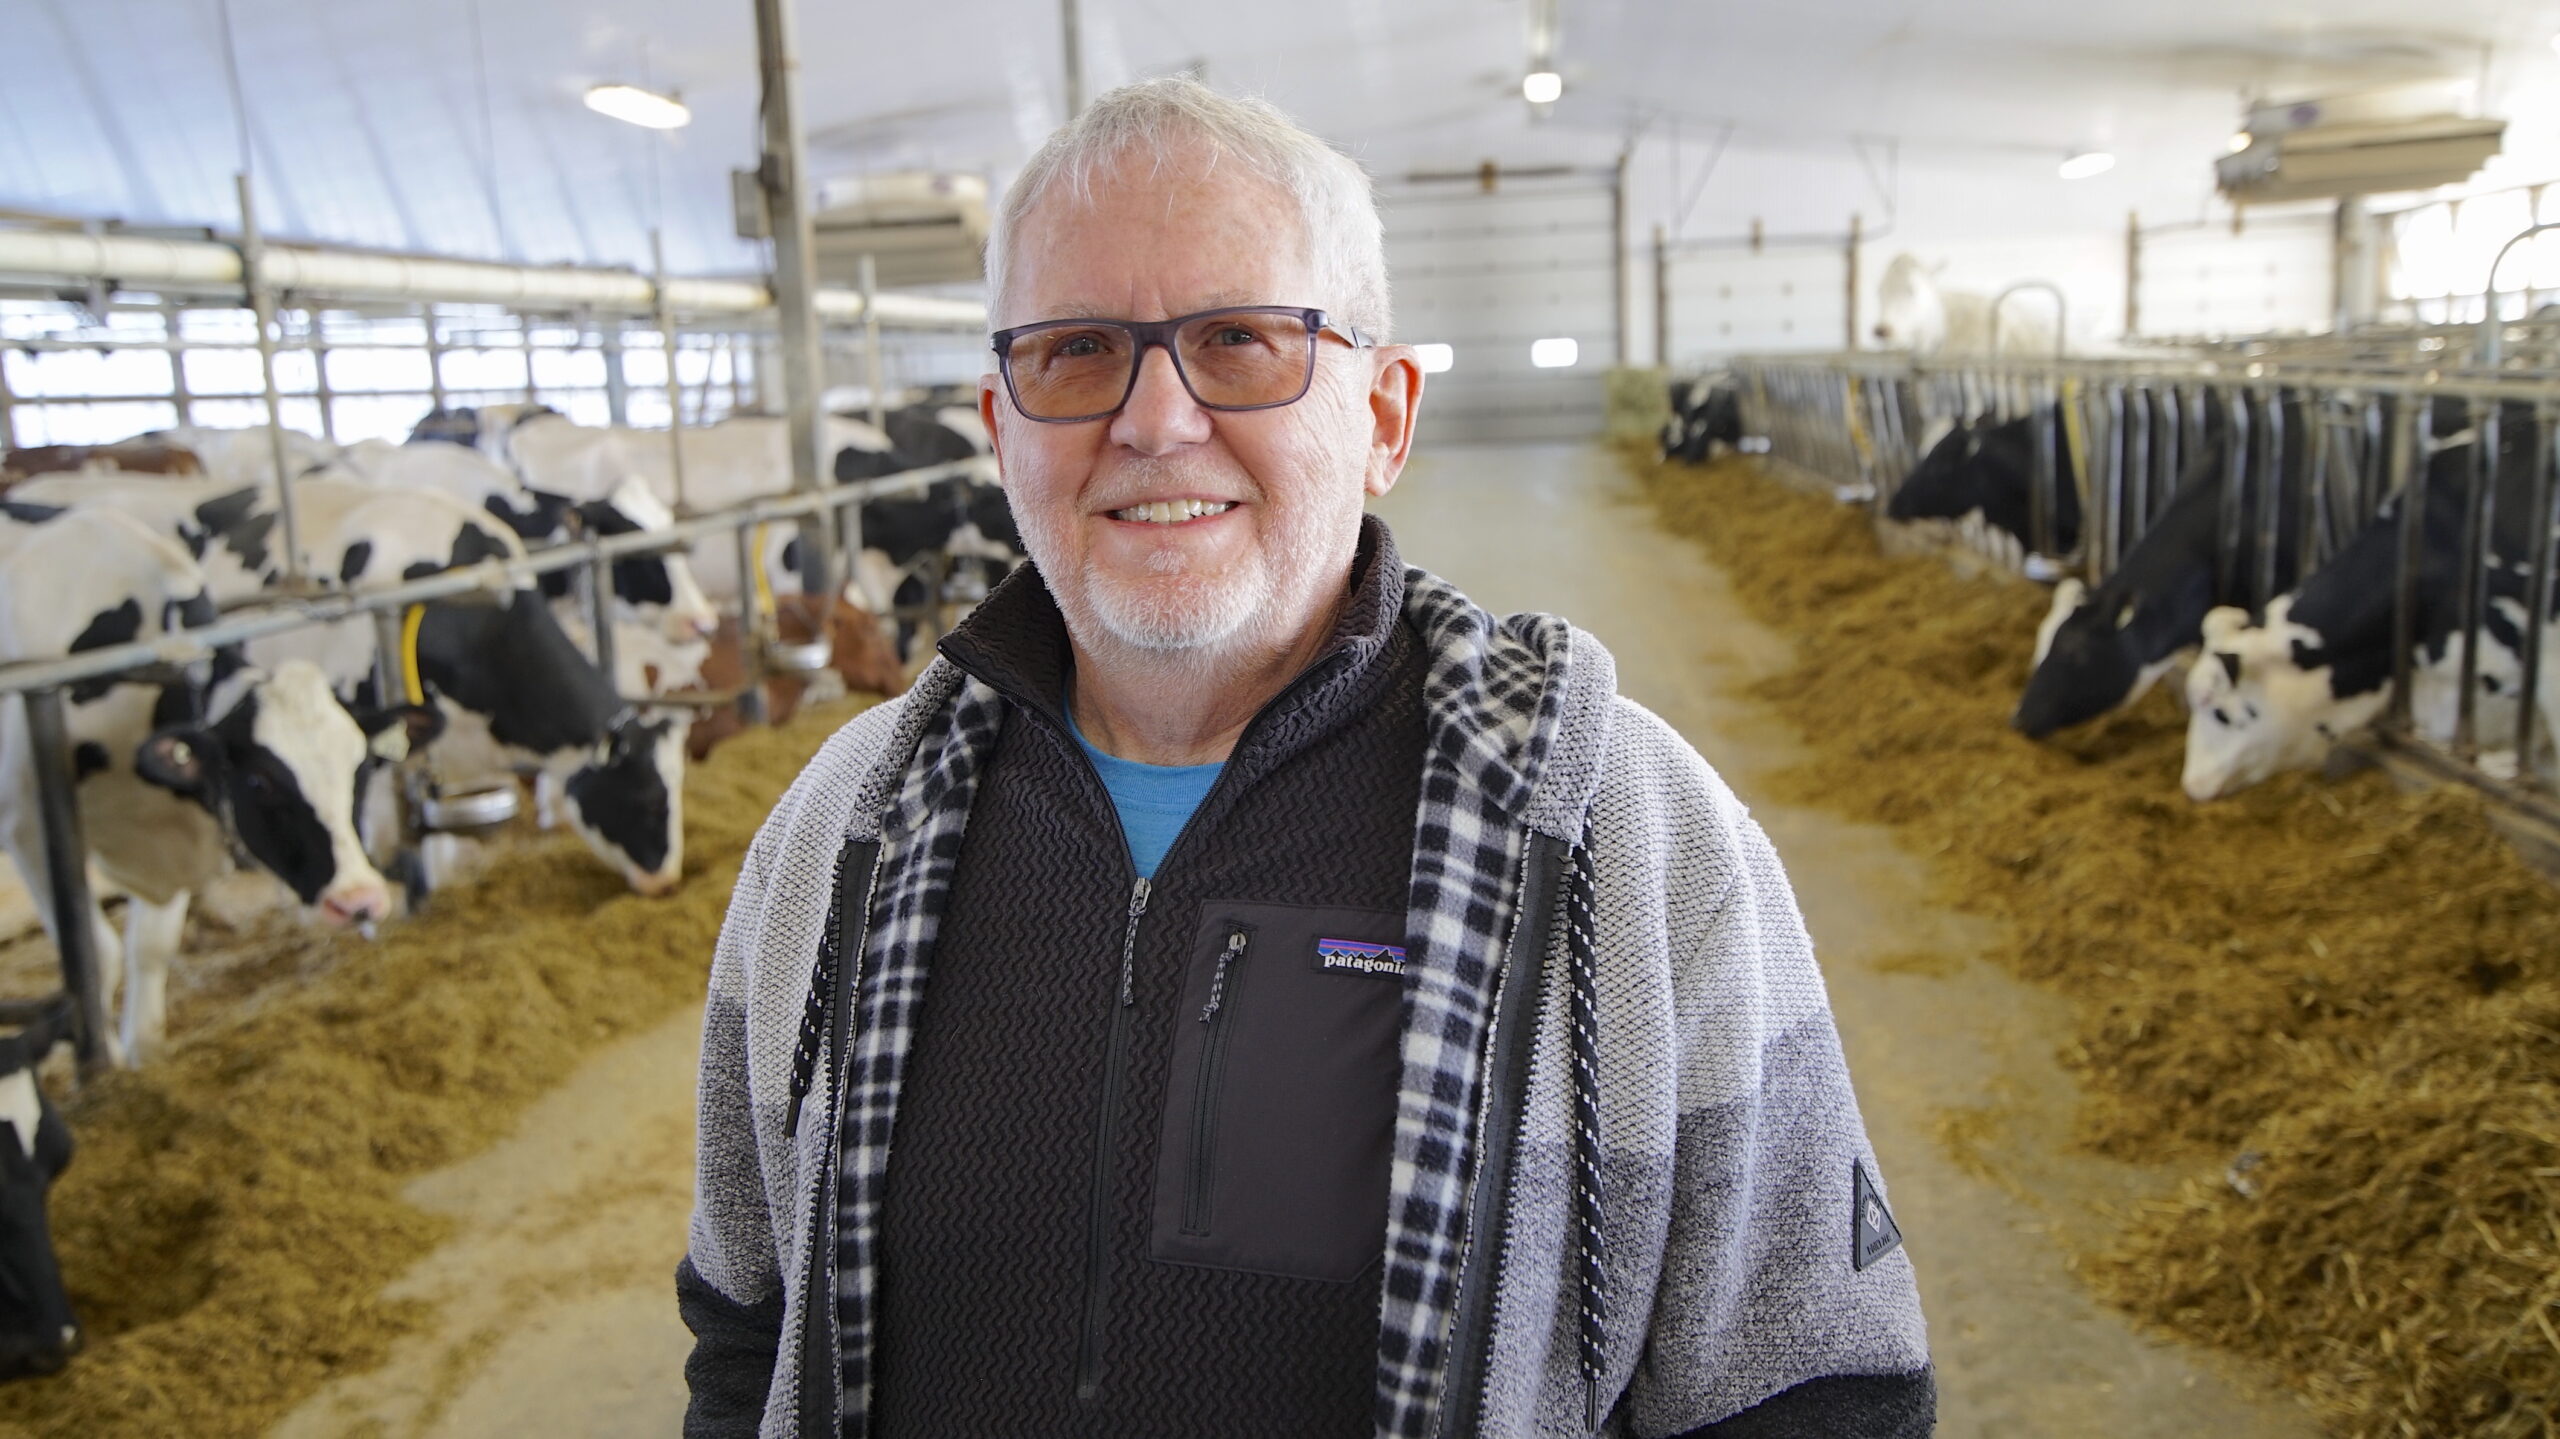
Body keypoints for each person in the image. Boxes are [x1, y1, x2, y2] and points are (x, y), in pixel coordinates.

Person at [678, 77, 1931, 1439]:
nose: (1155, 421)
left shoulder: (1623, 836)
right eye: (1077, 351)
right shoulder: (845, 828)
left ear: (1385, 416)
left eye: (1241, 340)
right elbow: (747, 1331)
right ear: (1000, 428)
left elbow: (1815, 1389)